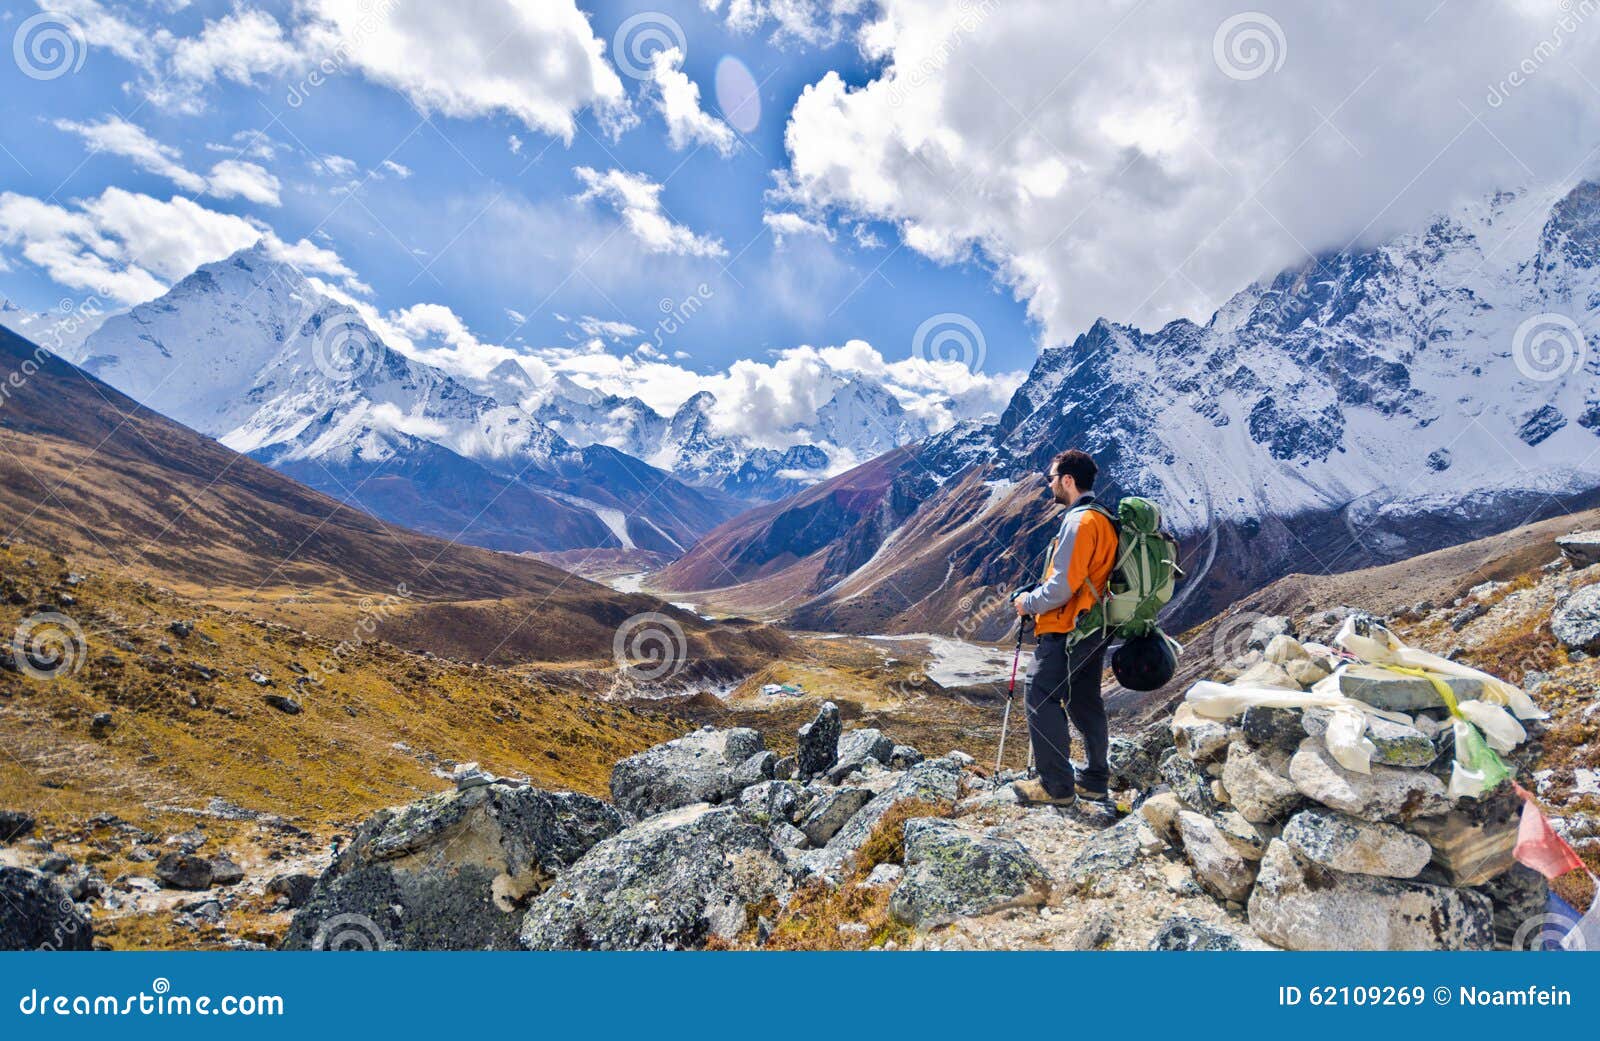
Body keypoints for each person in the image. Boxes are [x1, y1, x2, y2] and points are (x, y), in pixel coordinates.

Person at [1010, 449, 1118, 807]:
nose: (1049, 484)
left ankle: (1056, 786)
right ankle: (1094, 780)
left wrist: (1027, 603)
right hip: (1094, 627)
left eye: (1052, 478)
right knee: (1085, 700)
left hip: (1066, 628)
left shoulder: (1079, 521)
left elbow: (1061, 589)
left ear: (1068, 480)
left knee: (1039, 692)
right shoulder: (1104, 519)